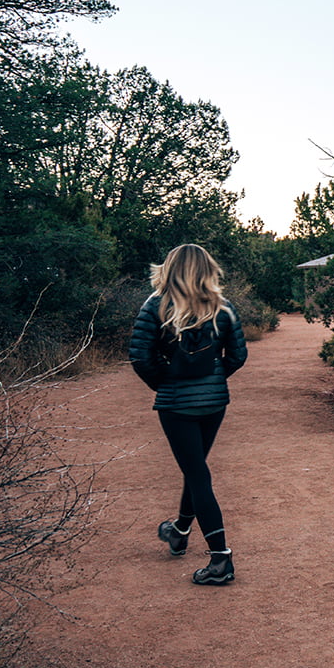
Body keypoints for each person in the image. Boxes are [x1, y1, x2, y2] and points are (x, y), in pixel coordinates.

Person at [129, 244, 248, 585]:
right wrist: (211, 380)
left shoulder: (156, 305)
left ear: (170, 268)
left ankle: (220, 560)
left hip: (176, 404)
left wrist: (166, 384)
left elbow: (140, 357)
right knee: (194, 468)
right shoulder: (223, 308)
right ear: (207, 269)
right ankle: (180, 531)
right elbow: (237, 356)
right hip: (213, 403)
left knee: (196, 473)